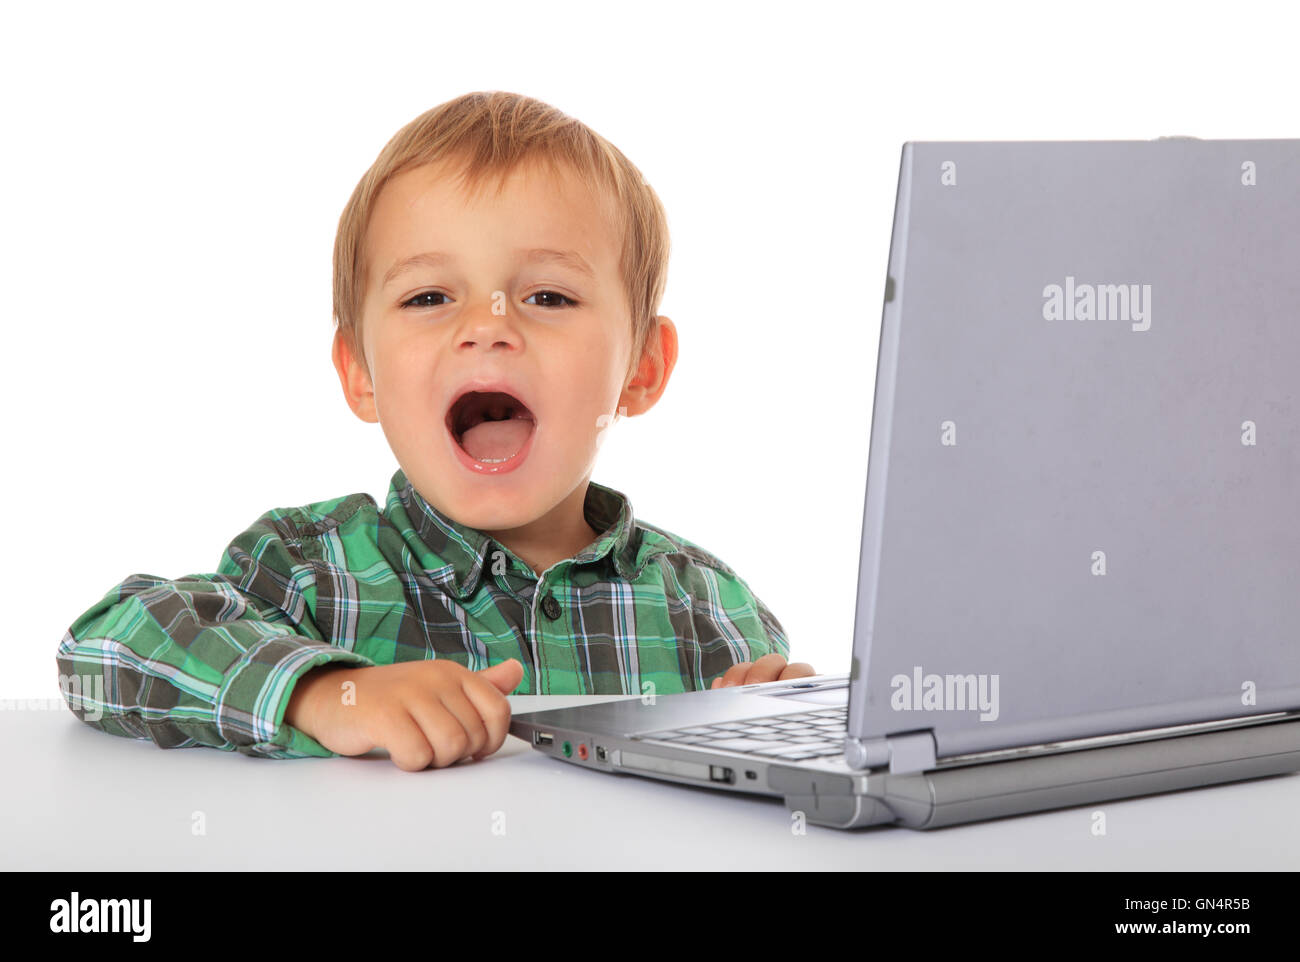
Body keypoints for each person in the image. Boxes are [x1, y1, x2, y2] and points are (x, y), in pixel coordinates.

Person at [56, 91, 814, 772]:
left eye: (548, 294)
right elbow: (103, 649)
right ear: (361, 373)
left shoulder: (708, 609)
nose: (488, 327)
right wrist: (331, 693)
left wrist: (783, 716)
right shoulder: (309, 571)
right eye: (428, 296)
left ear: (641, 368)